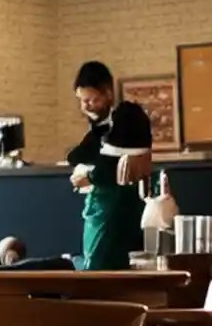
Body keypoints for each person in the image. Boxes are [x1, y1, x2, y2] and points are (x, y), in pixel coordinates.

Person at [66, 61, 153, 270]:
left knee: (99, 266)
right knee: (92, 263)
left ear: (108, 94)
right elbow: (77, 155)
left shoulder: (128, 117)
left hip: (119, 210)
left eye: (92, 100)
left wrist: (89, 176)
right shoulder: (101, 128)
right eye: (82, 100)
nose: (86, 106)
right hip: (102, 206)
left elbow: (109, 168)